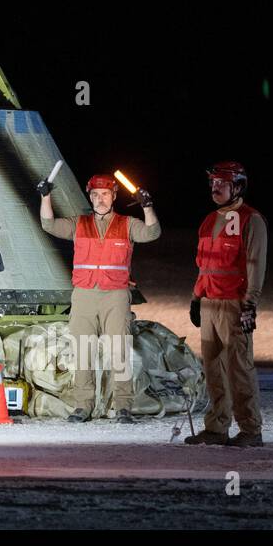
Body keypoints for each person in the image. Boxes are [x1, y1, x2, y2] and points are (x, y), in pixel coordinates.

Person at [39, 172, 160, 422]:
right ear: (90, 197)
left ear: (113, 196)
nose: (100, 199)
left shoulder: (127, 224)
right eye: (95, 194)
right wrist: (45, 196)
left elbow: (152, 233)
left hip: (115, 295)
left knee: (119, 351)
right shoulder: (78, 223)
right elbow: (48, 224)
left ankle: (123, 406)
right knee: (82, 350)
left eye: (105, 194)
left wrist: (147, 206)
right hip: (84, 295)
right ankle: (83, 405)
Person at [185, 161, 267, 447]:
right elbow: (204, 266)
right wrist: (197, 297)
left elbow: (256, 264)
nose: (215, 187)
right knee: (213, 369)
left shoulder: (250, 219)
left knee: (239, 368)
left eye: (221, 183)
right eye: (213, 183)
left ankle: (250, 429)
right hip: (209, 303)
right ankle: (217, 427)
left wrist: (250, 304)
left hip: (233, 304)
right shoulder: (209, 220)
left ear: (238, 186)